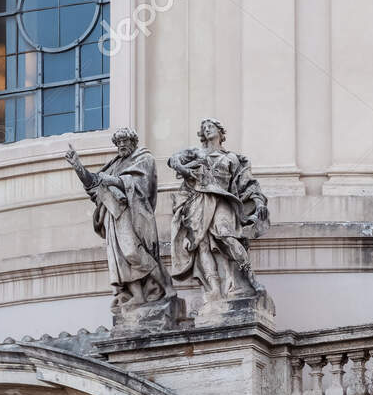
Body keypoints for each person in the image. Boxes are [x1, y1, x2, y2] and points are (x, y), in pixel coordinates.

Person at [66, 128, 170, 310]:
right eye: (118, 142)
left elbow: (141, 185)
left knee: (135, 253)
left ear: (133, 141)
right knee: (120, 259)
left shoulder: (144, 158)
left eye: (124, 141)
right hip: (113, 215)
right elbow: (93, 183)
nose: (121, 145)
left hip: (135, 214)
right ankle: (137, 295)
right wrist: (78, 167)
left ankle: (168, 288)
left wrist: (112, 181)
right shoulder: (115, 164)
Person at [168, 118, 269, 300]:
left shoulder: (232, 158)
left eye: (211, 127)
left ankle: (251, 279)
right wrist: (184, 170)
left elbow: (247, 184)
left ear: (221, 133)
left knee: (227, 236)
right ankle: (214, 288)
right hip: (198, 200)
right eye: (204, 128)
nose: (207, 130)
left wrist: (259, 203)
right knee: (203, 245)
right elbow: (173, 160)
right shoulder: (196, 152)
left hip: (222, 199)